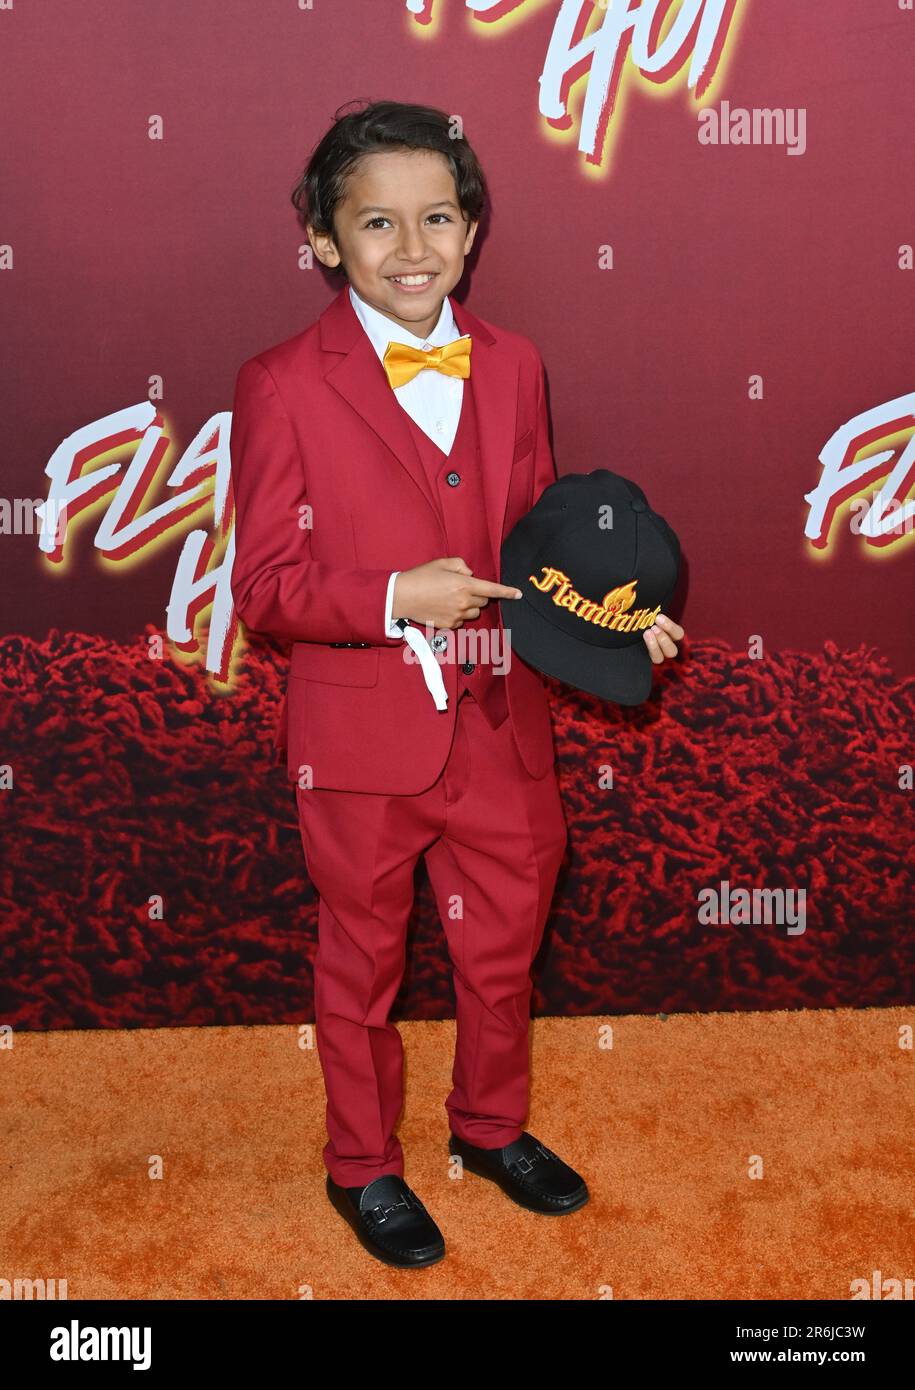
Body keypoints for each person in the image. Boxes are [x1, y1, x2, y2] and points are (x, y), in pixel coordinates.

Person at [229, 99, 685, 1269]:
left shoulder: (518, 364)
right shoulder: (280, 381)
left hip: (501, 723)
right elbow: (268, 585)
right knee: (362, 963)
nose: (413, 247)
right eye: (376, 223)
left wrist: (617, 622)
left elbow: (538, 551)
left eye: (438, 217)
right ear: (325, 241)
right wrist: (394, 597)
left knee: (500, 954)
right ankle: (364, 1166)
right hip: (361, 740)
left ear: (473, 229)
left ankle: (490, 1130)